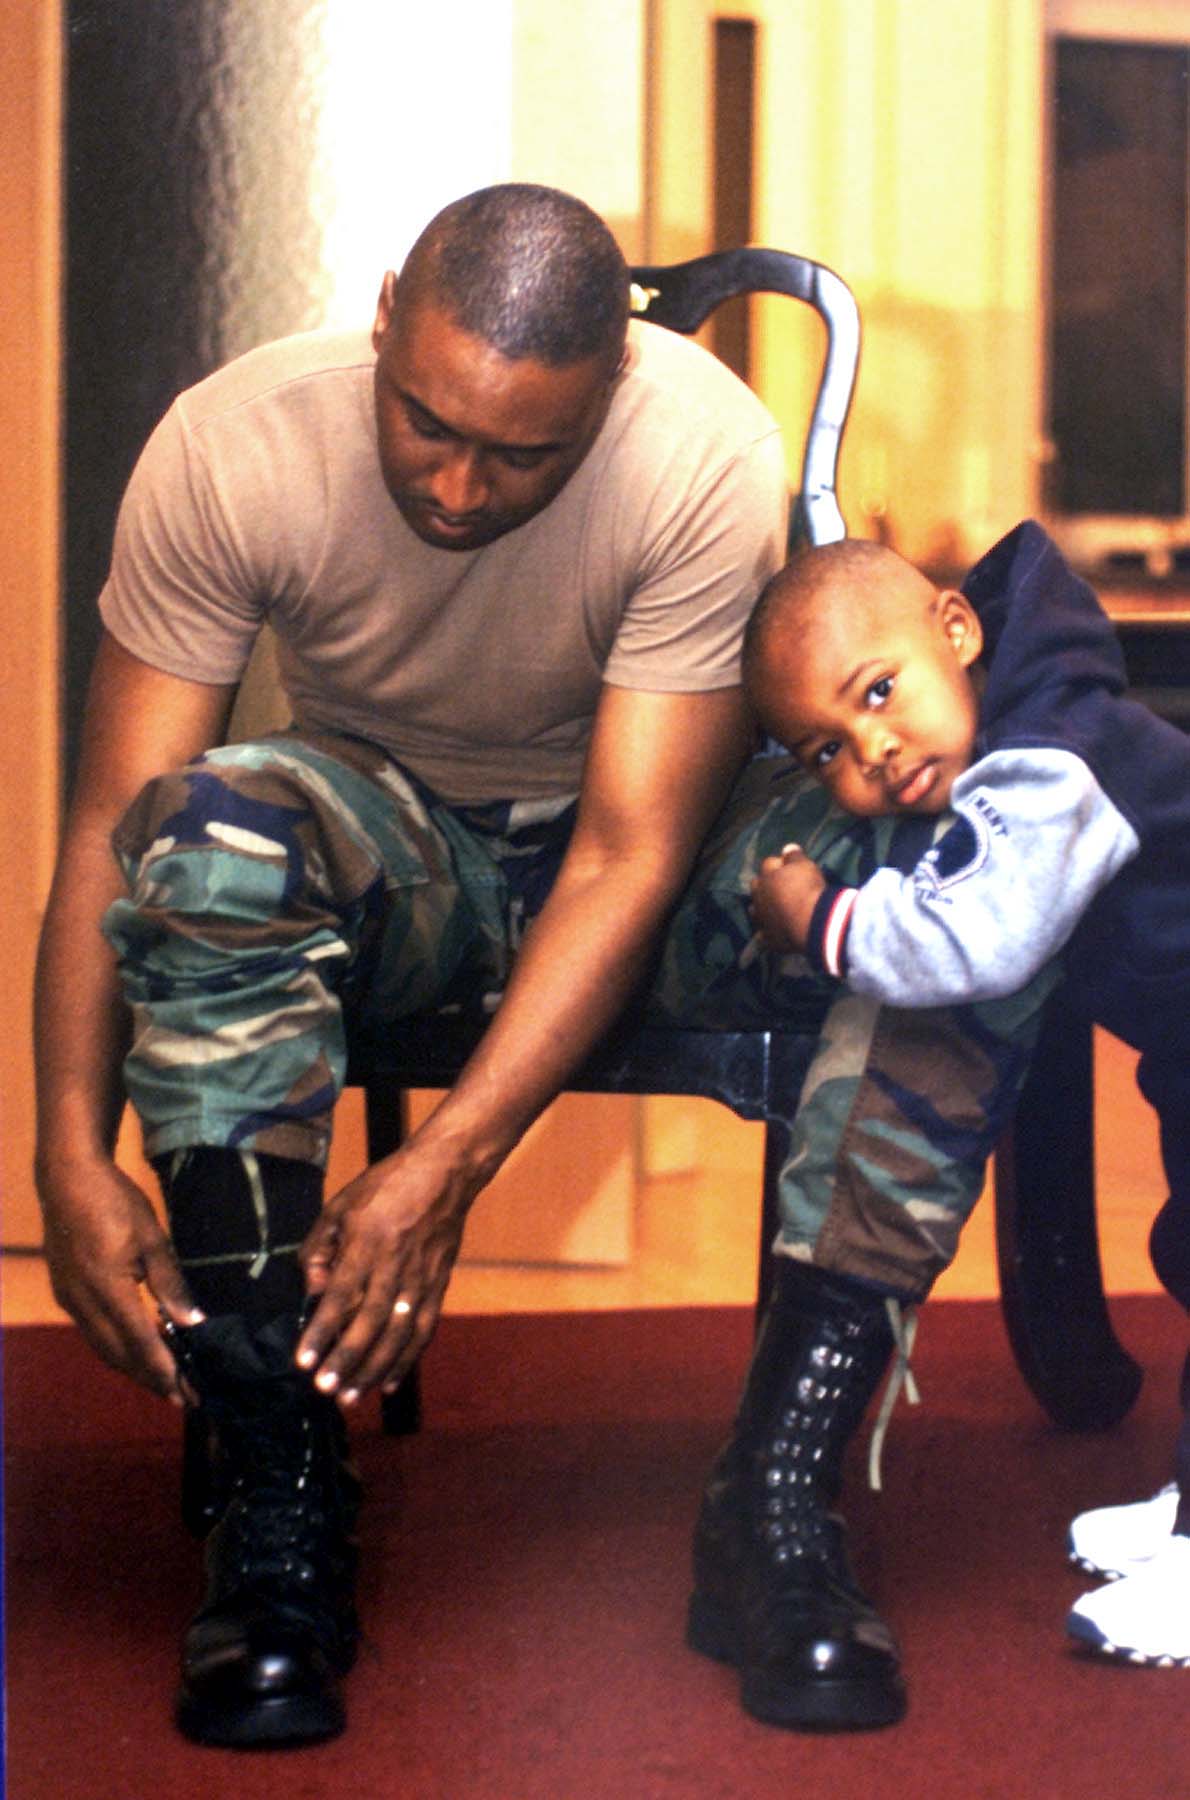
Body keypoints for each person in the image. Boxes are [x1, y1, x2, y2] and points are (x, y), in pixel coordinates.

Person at [33, 182, 1052, 1748]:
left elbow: (627, 850)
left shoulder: (697, 447)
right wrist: (61, 1149)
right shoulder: (233, 446)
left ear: (613, 385)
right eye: (425, 423)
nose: (454, 487)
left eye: (522, 454)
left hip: (648, 870)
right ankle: (279, 1486)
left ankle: (774, 1500)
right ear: (384, 318)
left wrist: (446, 1162)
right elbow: (113, 810)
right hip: (403, 848)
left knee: (944, 855)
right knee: (213, 821)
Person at [744, 518, 1190, 1672]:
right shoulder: (1024, 721)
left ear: (957, 627)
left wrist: (818, 919)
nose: (873, 750)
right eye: (823, 751)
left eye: (879, 691)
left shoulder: (1048, 756)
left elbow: (974, 938)